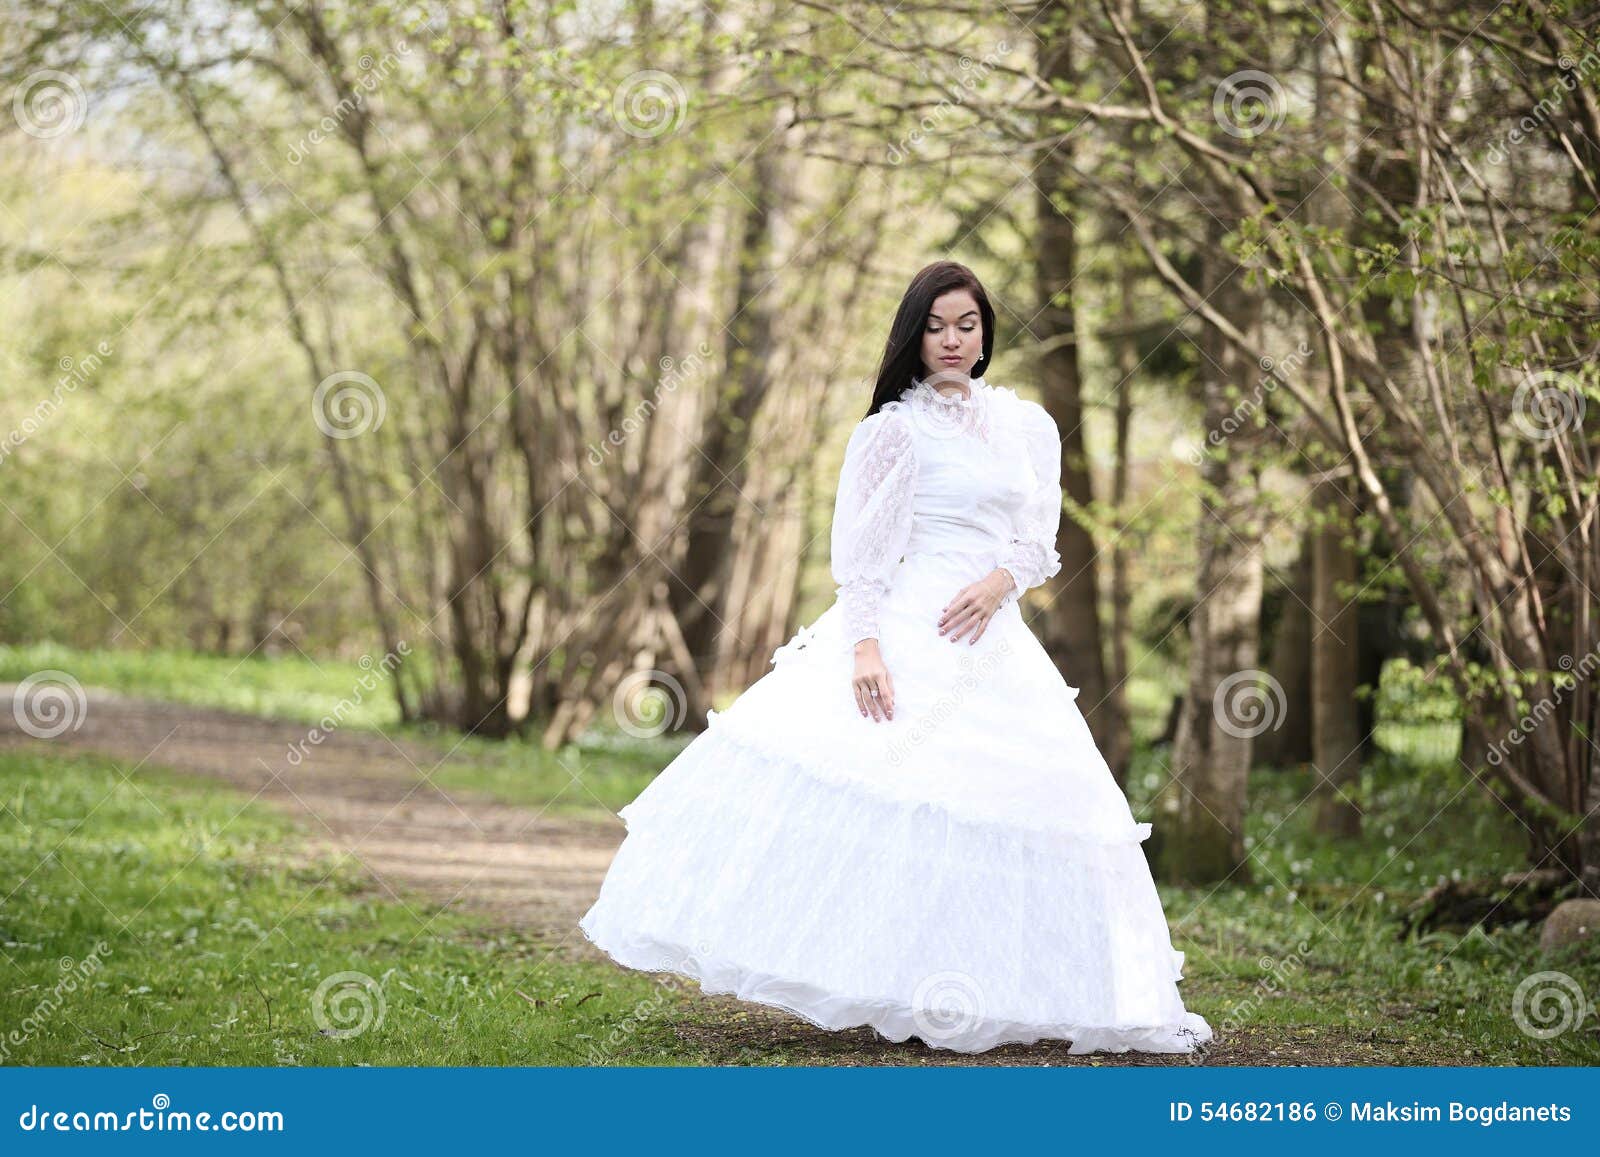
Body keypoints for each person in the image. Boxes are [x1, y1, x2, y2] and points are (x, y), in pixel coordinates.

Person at [578, 260, 1213, 1056]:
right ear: (914, 338)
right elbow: (864, 558)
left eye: (968, 324)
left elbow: (1040, 540)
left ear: (986, 333)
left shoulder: (1030, 427)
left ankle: (994, 987)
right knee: (903, 796)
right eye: (937, 326)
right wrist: (866, 647)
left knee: (1036, 800)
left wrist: (998, 582)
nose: (953, 340)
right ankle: (890, 981)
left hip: (996, 640)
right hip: (910, 629)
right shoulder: (891, 431)